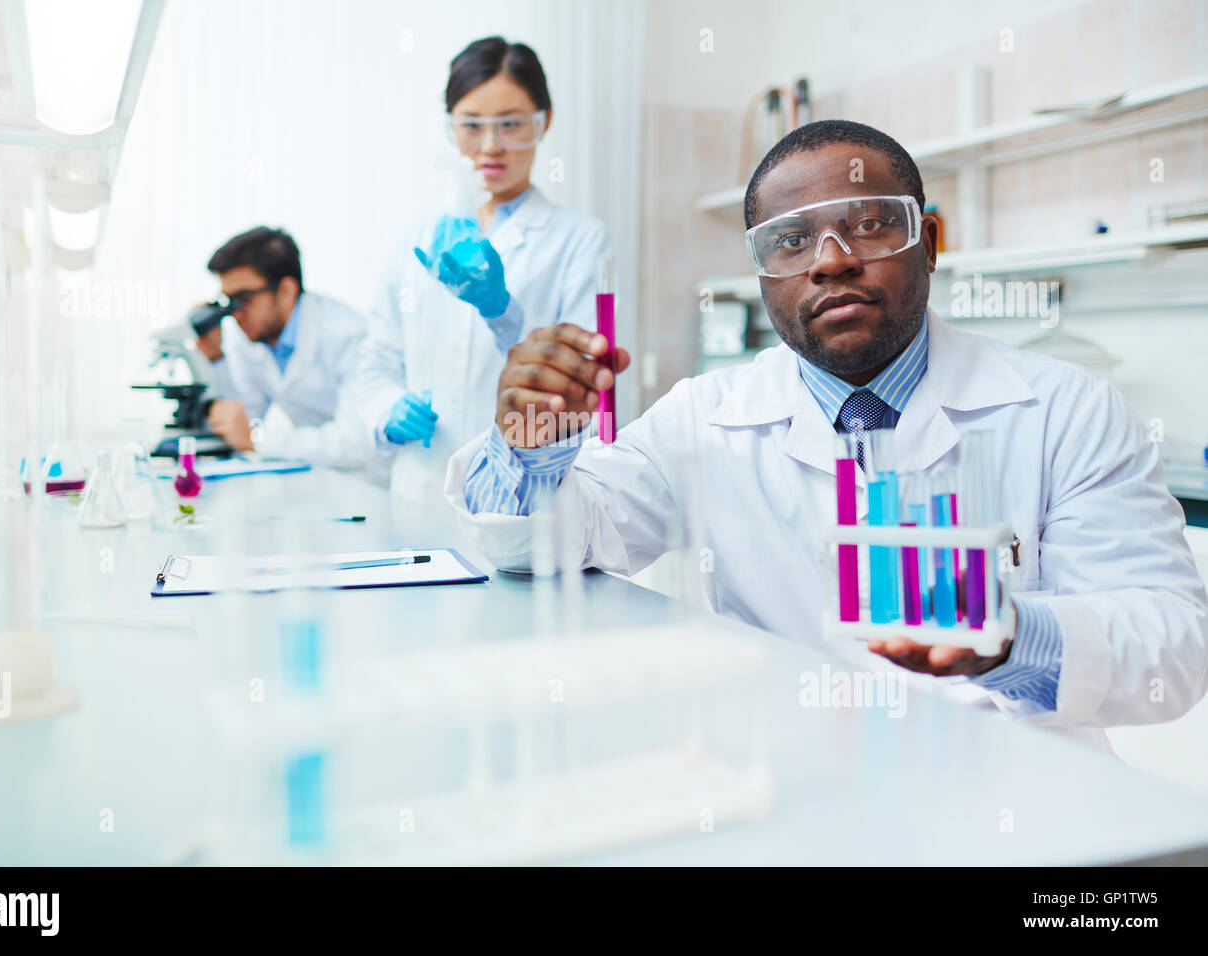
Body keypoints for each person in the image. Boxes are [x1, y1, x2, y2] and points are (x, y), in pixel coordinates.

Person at [445, 119, 1208, 752]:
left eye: (870, 225)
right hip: (787, 785)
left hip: (1016, 790)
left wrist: (1009, 639)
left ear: (930, 243)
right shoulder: (702, 418)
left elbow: (1171, 650)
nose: (832, 262)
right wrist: (531, 444)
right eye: (790, 242)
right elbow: (549, 546)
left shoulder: (1068, 410)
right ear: (763, 273)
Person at [348, 36, 609, 501]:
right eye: (471, 125)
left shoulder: (578, 238)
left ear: (543, 122)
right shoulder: (414, 242)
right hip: (420, 490)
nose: (490, 146)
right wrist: (387, 409)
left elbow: (578, 375)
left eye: (511, 124)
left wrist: (501, 308)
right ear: (451, 127)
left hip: (523, 493)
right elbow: (374, 365)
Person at [196, 226, 371, 465]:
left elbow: (354, 441)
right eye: (228, 301)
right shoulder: (251, 337)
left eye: (244, 298)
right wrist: (215, 358)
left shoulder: (348, 335)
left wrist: (259, 441)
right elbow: (241, 421)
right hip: (318, 474)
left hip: (368, 482)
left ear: (287, 290)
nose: (235, 313)